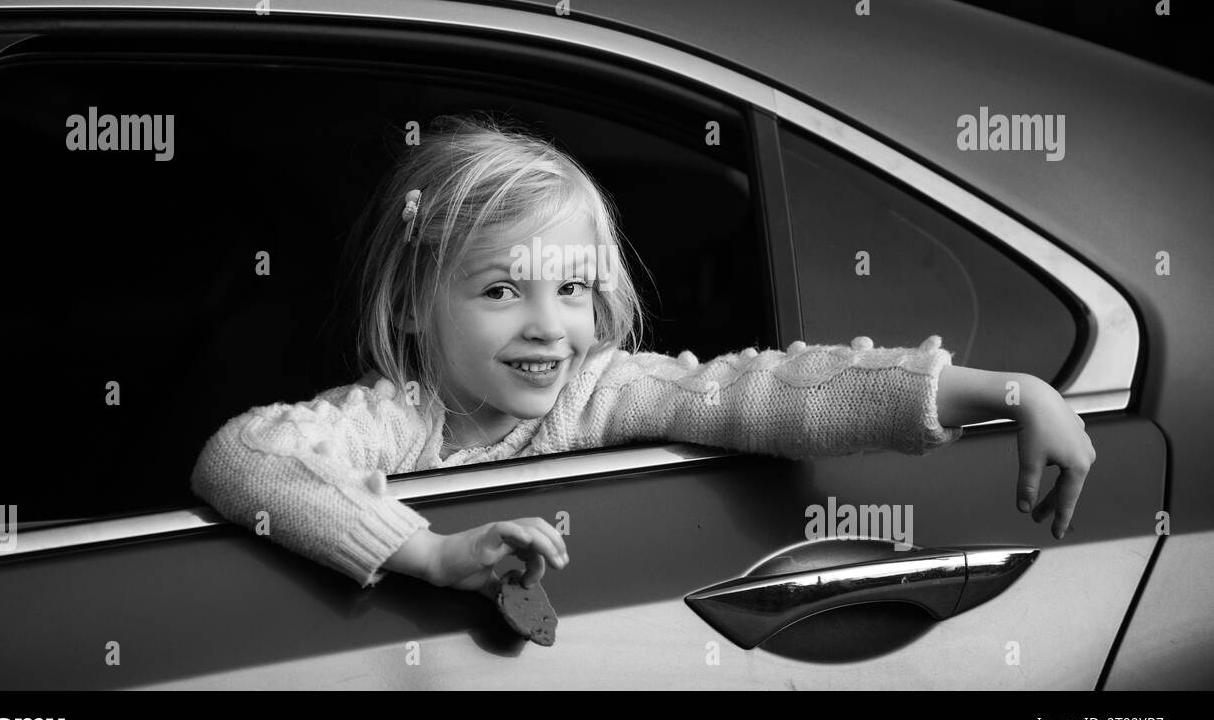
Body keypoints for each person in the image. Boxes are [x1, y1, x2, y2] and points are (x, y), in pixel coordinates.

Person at [191, 111, 1095, 600]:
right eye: (503, 290)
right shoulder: (394, 417)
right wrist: (427, 555)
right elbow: (243, 457)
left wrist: (1007, 391)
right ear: (416, 306)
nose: (549, 325)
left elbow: (771, 393)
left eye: (572, 287)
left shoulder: (600, 393)